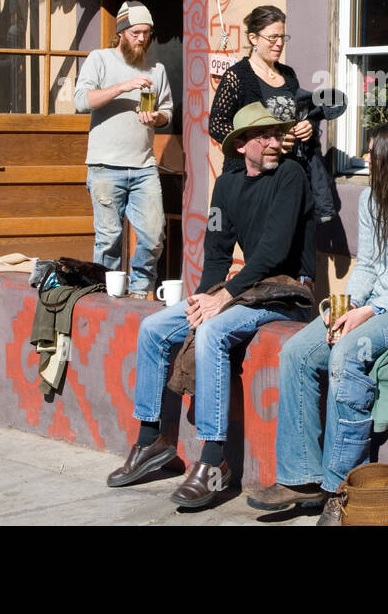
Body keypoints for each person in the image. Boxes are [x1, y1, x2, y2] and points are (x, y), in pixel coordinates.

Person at [246, 121, 388, 521]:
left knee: (346, 353)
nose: (367, 160)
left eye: (374, 154)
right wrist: (345, 305)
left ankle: (339, 488)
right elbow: (367, 267)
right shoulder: (370, 201)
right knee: (298, 350)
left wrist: (371, 311)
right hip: (375, 306)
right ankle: (302, 477)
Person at [106, 103, 316, 509]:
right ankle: (152, 441)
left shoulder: (292, 175)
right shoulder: (228, 184)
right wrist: (202, 299)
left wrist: (223, 298)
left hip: (287, 291)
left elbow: (273, 252)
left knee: (213, 332)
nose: (275, 143)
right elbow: (217, 252)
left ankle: (213, 461)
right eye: (264, 137)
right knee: (153, 329)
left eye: (278, 135)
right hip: (246, 288)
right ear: (241, 145)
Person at [73, 1, 173, 298]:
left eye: (147, 33)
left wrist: (158, 117)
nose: (142, 38)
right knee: (109, 241)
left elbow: (167, 109)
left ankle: (140, 293)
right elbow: (81, 101)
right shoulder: (100, 59)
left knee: (154, 236)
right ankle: (105, 298)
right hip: (105, 167)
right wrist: (124, 86)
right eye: (136, 32)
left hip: (144, 167)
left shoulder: (157, 69)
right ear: (121, 32)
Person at [209, 5, 335, 222]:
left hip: (291, 175)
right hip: (254, 178)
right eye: (272, 37)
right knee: (264, 248)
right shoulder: (237, 77)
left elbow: (301, 113)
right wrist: (262, 142)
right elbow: (217, 124)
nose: (279, 43)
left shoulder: (288, 74)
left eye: (283, 37)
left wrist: (308, 126)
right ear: (253, 38)